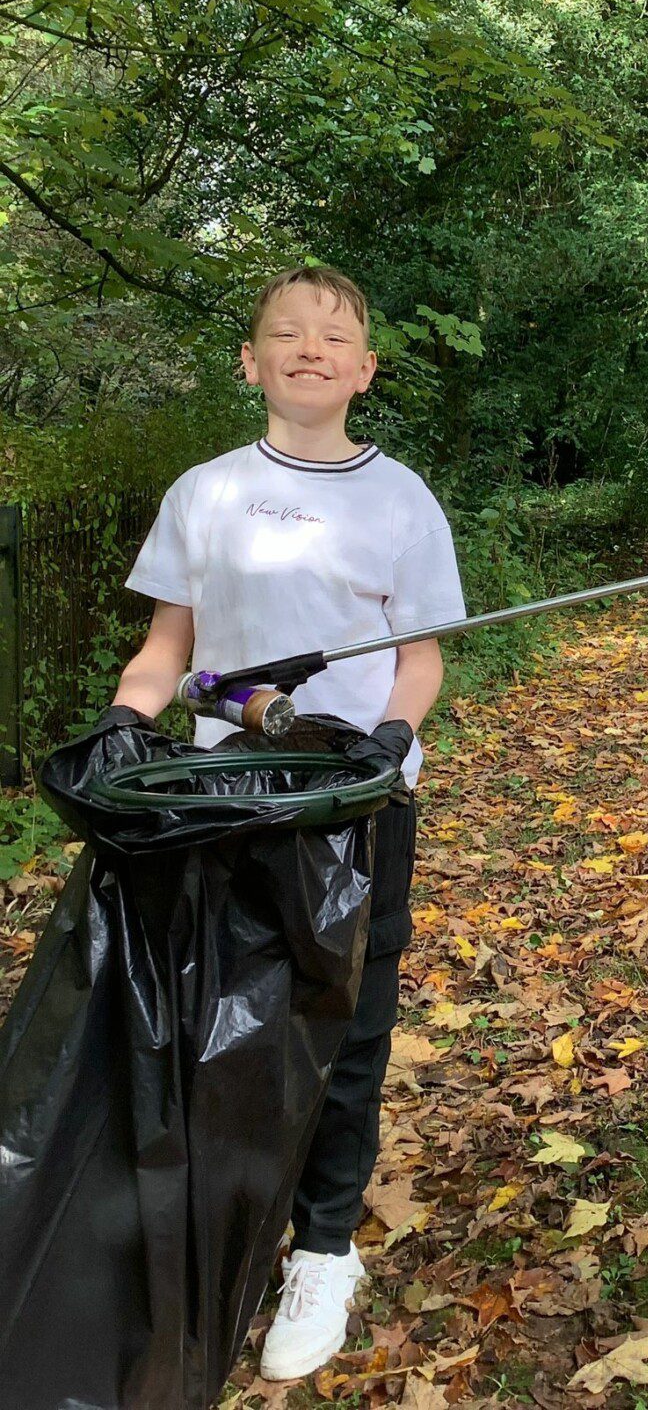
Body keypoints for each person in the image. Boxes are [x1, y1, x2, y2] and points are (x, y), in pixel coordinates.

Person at [106, 264, 465, 1382]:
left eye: (335, 336)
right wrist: (124, 724)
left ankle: (323, 1244)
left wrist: (392, 744)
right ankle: (235, 1226)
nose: (310, 348)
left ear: (364, 370)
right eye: (285, 333)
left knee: (347, 1028)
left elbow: (420, 658)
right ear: (250, 361)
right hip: (224, 801)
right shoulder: (203, 494)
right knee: (225, 1019)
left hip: (355, 806)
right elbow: (174, 651)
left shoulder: (401, 499)